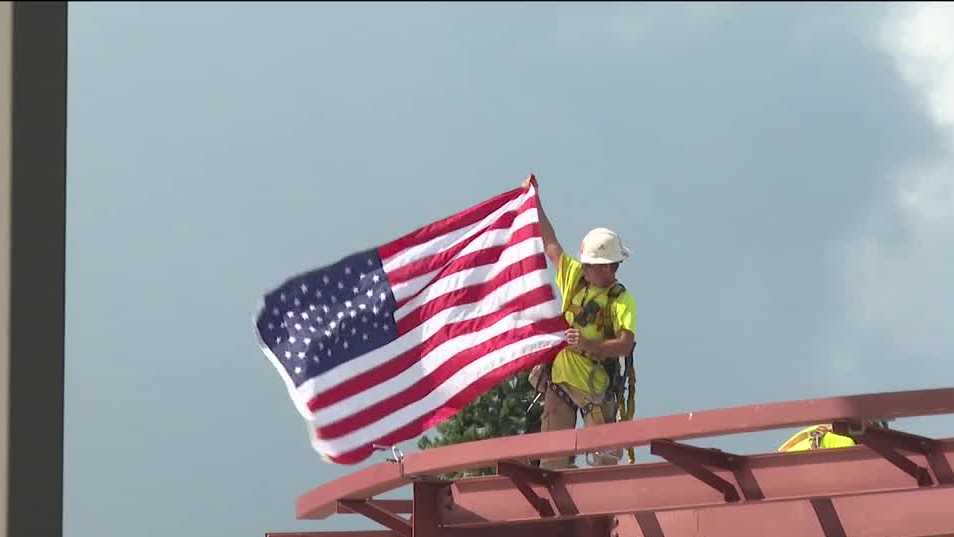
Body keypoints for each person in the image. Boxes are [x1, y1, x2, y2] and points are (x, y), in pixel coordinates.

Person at [523, 176, 638, 469]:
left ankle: (600, 512)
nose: (585, 269)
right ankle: (557, 512)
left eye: (593, 266)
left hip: (596, 386)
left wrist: (589, 344)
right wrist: (533, 201)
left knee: (605, 466)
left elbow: (625, 345)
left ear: (610, 267)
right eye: (586, 264)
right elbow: (551, 245)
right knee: (552, 465)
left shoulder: (621, 300)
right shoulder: (575, 277)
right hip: (560, 380)